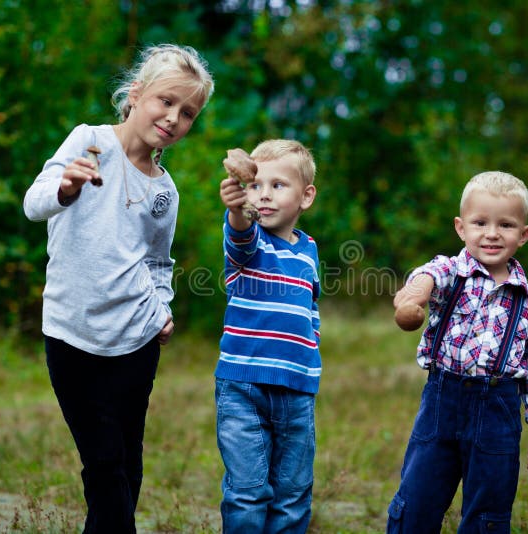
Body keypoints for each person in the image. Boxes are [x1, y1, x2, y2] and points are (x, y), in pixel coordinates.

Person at [22, 44, 214, 533]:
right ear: (136, 94)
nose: (173, 118)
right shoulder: (89, 142)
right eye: (165, 101)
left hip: (136, 340)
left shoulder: (165, 191)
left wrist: (163, 309)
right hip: (72, 333)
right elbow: (34, 202)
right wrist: (65, 188)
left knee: (127, 462)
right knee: (104, 460)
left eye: (187, 112)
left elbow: (157, 262)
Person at [386, 171, 528, 534]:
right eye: (480, 223)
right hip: (442, 401)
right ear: (461, 228)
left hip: (498, 409)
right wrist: (417, 293)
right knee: (418, 496)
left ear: (524, 235)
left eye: (506, 225)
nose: (492, 233)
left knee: (489, 506)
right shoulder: (452, 273)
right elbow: (429, 273)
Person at [215, 140, 320, 533]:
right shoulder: (250, 240)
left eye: (278, 186)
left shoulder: (309, 249)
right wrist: (236, 209)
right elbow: (241, 233)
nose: (264, 194)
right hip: (243, 387)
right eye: (257, 185)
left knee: (293, 495)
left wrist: (312, 362)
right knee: (248, 490)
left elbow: (310, 311)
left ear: (305, 196)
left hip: (296, 390)